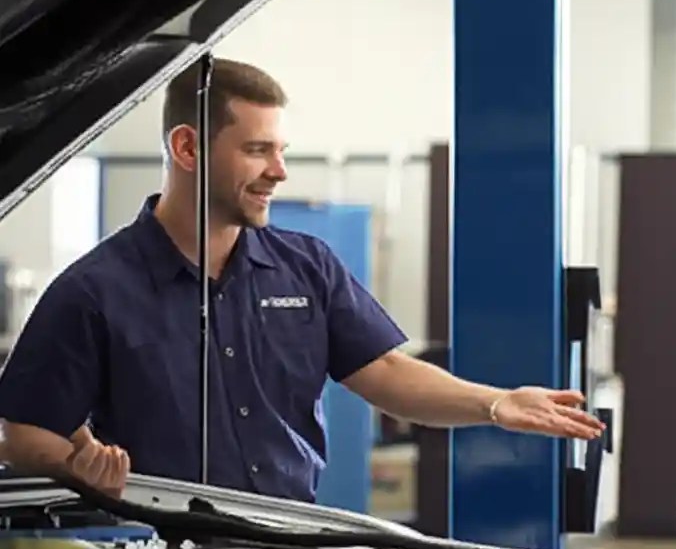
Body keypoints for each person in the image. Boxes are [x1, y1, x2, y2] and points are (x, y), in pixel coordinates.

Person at [0, 58, 603, 503]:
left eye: (281, 149)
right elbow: (24, 432)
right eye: (258, 150)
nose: (279, 171)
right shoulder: (94, 290)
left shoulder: (307, 267)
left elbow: (388, 374)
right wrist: (80, 467)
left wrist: (495, 404)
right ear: (187, 147)